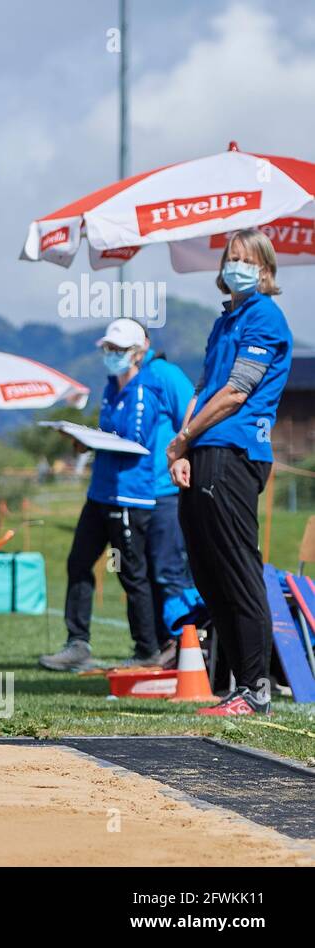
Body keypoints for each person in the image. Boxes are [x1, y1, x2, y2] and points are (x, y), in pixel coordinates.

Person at [167, 228, 293, 717]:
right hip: (203, 450)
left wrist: (185, 438)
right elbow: (203, 389)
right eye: (230, 257)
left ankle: (256, 687)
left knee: (237, 566)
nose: (234, 265)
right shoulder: (225, 321)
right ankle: (239, 685)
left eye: (245, 259)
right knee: (208, 570)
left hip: (234, 451)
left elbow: (237, 392)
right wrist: (181, 448)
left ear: (264, 270)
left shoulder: (264, 316)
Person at [39, 319, 195, 672]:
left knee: (144, 572)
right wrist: (86, 441)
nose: (112, 355)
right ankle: (78, 642)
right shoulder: (112, 386)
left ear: (140, 349)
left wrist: (182, 456)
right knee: (80, 562)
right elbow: (113, 433)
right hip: (103, 490)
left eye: (119, 349)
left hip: (142, 492)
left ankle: (158, 646)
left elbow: (189, 417)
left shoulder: (161, 376)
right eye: (108, 348)